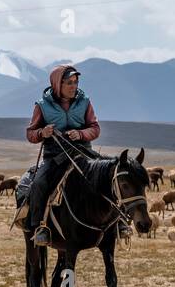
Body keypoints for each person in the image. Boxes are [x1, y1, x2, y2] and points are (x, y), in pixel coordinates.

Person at [25, 65, 130, 246]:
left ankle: (119, 221)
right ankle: (40, 227)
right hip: (55, 156)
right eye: (69, 83)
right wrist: (43, 132)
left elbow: (95, 129)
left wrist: (81, 134)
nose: (73, 86)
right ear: (58, 84)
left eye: (75, 82)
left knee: (110, 174)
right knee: (39, 183)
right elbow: (30, 134)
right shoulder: (42, 106)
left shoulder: (84, 101)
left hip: (83, 153)